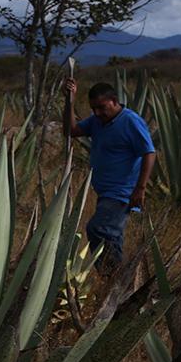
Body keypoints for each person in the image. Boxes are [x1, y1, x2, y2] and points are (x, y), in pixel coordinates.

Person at [63, 79, 156, 271]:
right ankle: (116, 279)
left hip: (122, 192)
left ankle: (112, 277)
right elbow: (71, 131)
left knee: (99, 228)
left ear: (114, 101)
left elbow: (149, 152)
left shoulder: (130, 121)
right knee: (112, 237)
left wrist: (140, 188)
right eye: (93, 108)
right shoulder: (97, 121)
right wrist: (69, 102)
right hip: (105, 192)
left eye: (101, 107)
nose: (97, 113)